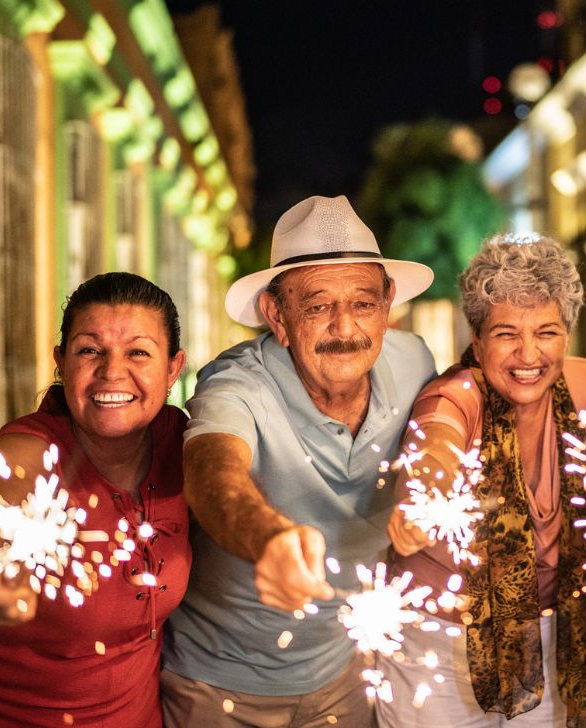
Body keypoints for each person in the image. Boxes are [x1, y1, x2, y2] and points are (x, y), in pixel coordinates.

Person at [380, 235, 586, 727]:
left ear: (567, 335)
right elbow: (434, 447)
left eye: (547, 332)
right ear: (477, 339)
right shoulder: (455, 394)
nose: (528, 353)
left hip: (547, 632)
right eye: (506, 333)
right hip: (436, 640)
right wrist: (423, 496)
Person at [159, 195, 436, 727]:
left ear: (388, 304)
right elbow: (212, 471)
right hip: (217, 685)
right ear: (276, 316)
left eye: (363, 303)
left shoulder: (415, 363)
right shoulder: (237, 382)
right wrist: (270, 539)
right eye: (317, 306)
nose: (345, 328)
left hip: (344, 676)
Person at [0, 272, 190, 726]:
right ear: (61, 363)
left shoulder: (181, 442)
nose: (112, 371)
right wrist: (0, 571)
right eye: (89, 350)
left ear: (173, 367)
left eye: (138, 352)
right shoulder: (27, 451)